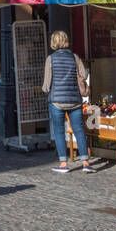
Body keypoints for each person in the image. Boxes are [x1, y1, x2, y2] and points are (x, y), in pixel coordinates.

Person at [43, 30, 100, 173]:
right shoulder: (75, 57)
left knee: (59, 131)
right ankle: (86, 162)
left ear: (53, 42)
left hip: (56, 101)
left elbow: (46, 84)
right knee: (79, 130)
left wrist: (46, 90)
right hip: (75, 100)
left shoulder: (51, 59)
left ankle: (63, 164)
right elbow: (84, 74)